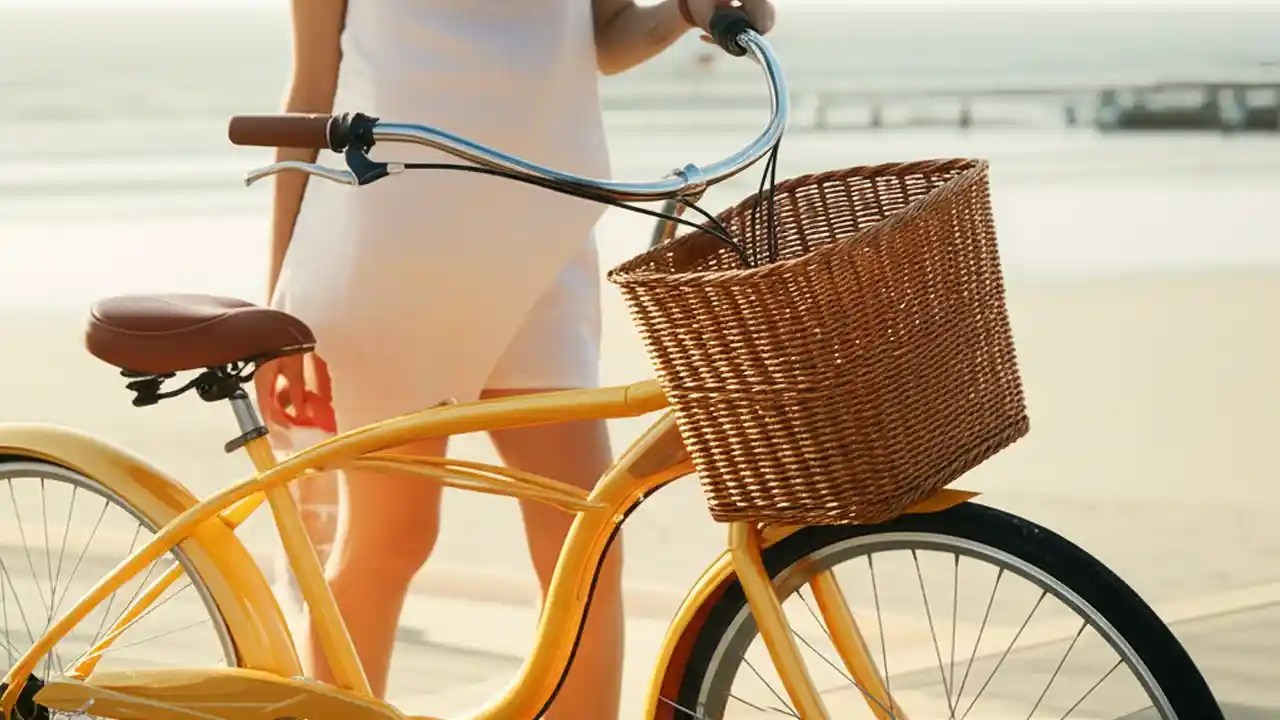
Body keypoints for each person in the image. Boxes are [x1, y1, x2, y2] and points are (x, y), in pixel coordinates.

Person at [254, 0, 774, 717]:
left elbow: (597, 35)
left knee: (586, 541)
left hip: (544, 233)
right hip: (398, 242)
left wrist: (683, 13)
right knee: (392, 537)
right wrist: (277, 304)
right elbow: (312, 92)